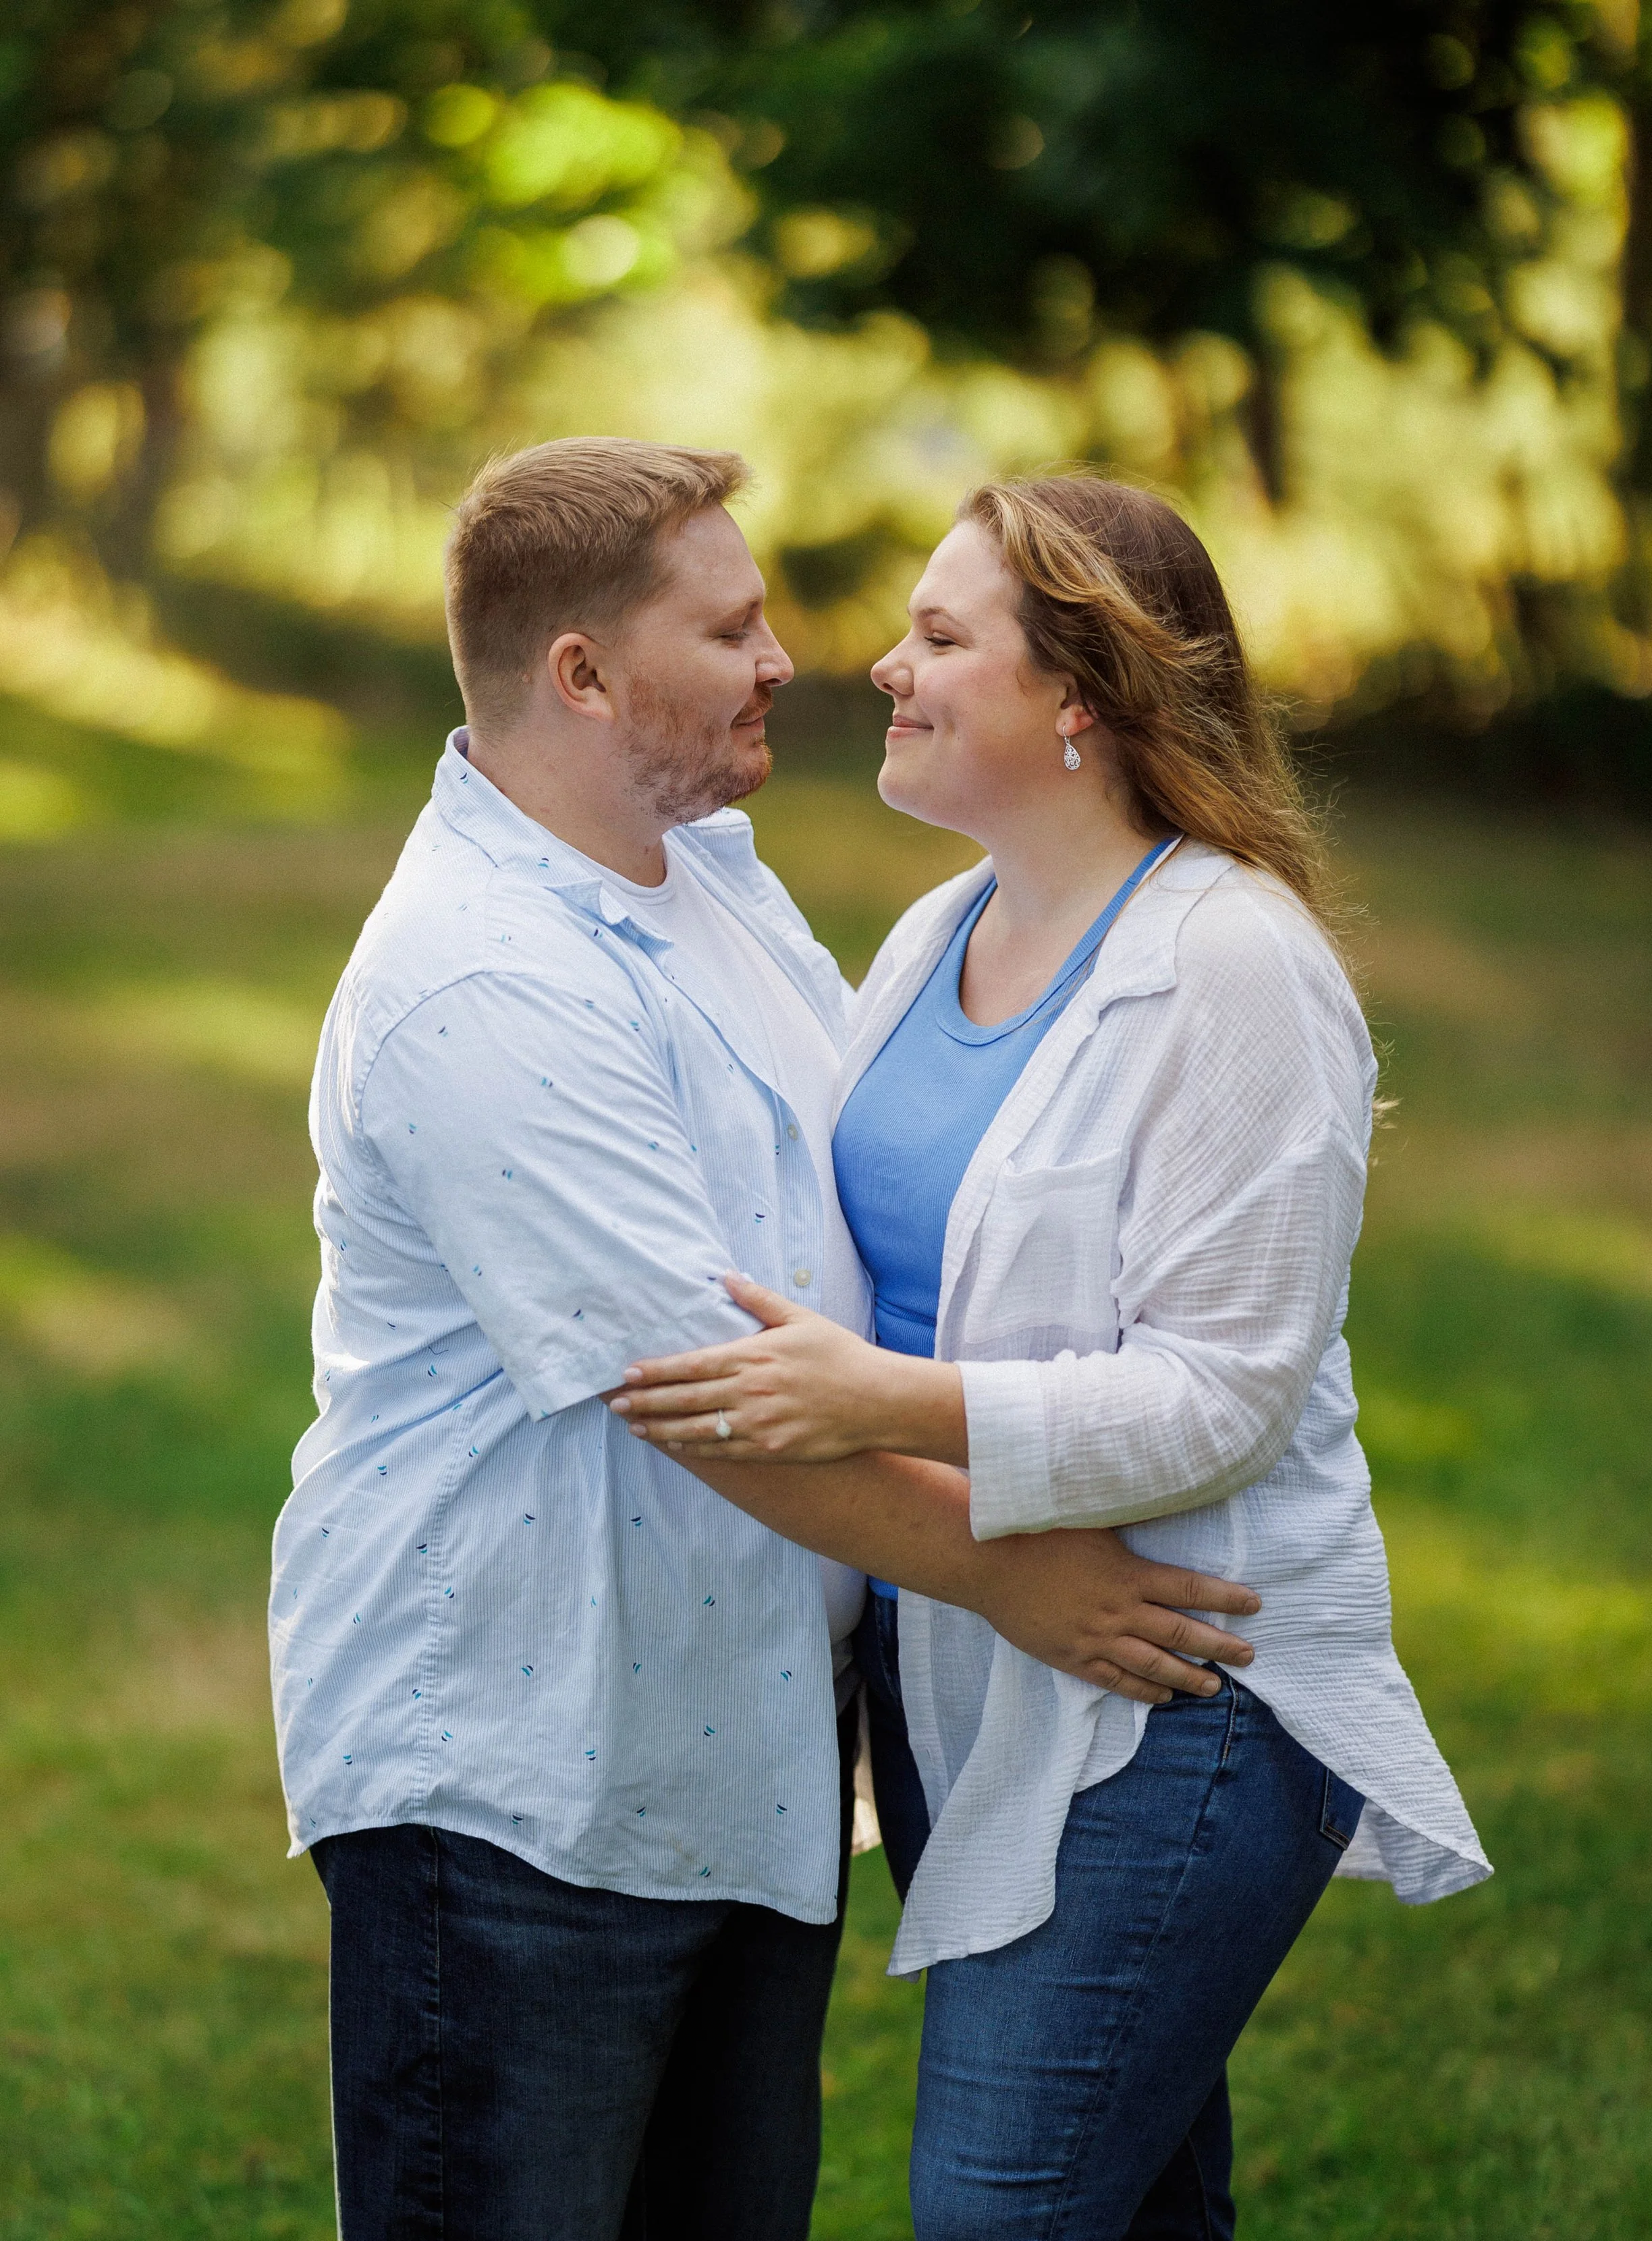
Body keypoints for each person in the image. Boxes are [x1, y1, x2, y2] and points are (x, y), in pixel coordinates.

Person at [270, 439, 1261, 2241]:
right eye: (729, 631)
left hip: (741, 1763)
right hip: (519, 1784)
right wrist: (1020, 1577)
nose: (784, 662)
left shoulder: (708, 878)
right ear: (584, 674)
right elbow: (703, 1396)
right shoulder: (483, 977)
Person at [608, 474, 1493, 2241]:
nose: (883, 667)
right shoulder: (940, 931)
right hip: (970, 1673)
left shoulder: (1234, 964)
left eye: (941, 638)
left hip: (1177, 1686)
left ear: (1081, 693)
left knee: (1001, 2211)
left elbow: (1223, 1396)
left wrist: (886, 1407)